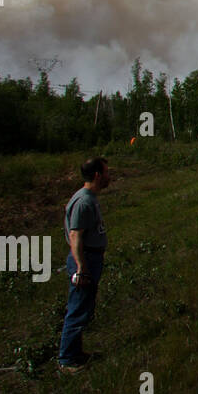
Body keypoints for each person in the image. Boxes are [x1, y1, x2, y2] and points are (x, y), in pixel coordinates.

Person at [58, 157, 110, 372]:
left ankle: (76, 353)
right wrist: (81, 268)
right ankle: (67, 360)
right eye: (106, 172)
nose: (109, 176)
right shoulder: (84, 201)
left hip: (91, 258)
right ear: (97, 175)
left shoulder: (90, 198)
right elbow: (75, 236)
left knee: (83, 307)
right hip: (85, 260)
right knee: (78, 309)